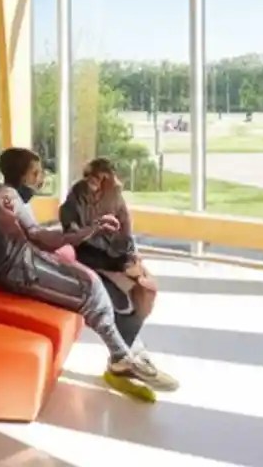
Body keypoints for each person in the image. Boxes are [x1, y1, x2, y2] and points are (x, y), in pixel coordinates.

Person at [0, 148, 177, 391]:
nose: (40, 179)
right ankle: (121, 358)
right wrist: (93, 229)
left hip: (17, 265)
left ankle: (125, 351)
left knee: (112, 289)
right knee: (91, 287)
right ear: (22, 176)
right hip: (19, 270)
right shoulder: (9, 196)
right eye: (35, 173)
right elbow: (39, 235)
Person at [60, 158, 169, 382]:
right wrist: (119, 264)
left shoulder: (116, 199)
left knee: (145, 291)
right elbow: (77, 243)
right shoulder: (72, 204)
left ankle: (127, 350)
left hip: (116, 261)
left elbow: (127, 236)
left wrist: (131, 261)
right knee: (118, 301)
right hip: (90, 263)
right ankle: (124, 356)